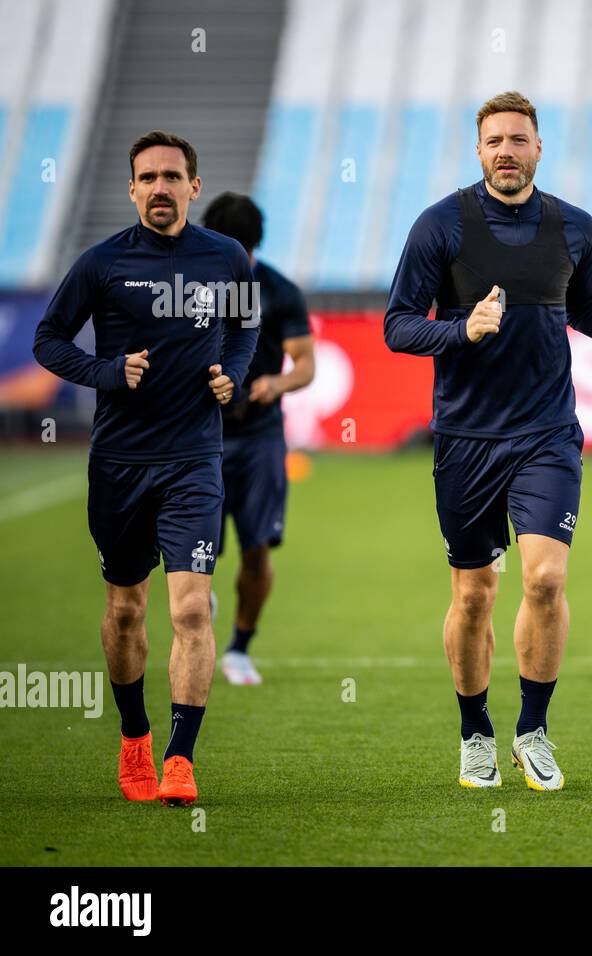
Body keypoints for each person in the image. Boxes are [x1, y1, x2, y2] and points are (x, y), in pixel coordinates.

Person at [384, 91, 592, 791]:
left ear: (538, 148)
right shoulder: (440, 226)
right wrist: (461, 331)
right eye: (494, 141)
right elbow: (398, 325)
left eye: (519, 139)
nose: (506, 151)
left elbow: (586, 311)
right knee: (475, 594)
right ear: (478, 149)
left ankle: (533, 730)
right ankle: (475, 733)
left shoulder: (573, 226)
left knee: (546, 578)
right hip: (465, 439)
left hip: (547, 433)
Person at [32, 130, 260, 805]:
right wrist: (106, 371)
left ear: (194, 186)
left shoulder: (225, 258)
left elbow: (245, 328)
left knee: (190, 608)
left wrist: (235, 377)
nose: (160, 188)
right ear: (131, 189)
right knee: (126, 610)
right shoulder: (102, 264)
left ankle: (181, 759)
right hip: (120, 463)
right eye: (147, 178)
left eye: (172, 176)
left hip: (193, 459)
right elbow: (48, 338)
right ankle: (134, 738)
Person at [202, 193, 316, 686]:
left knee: (257, 549)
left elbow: (306, 365)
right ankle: (195, 602)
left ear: (255, 247)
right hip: (199, 433)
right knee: (193, 551)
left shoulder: (280, 291)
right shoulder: (188, 287)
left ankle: (239, 647)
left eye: (242, 250)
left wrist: (277, 383)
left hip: (260, 437)